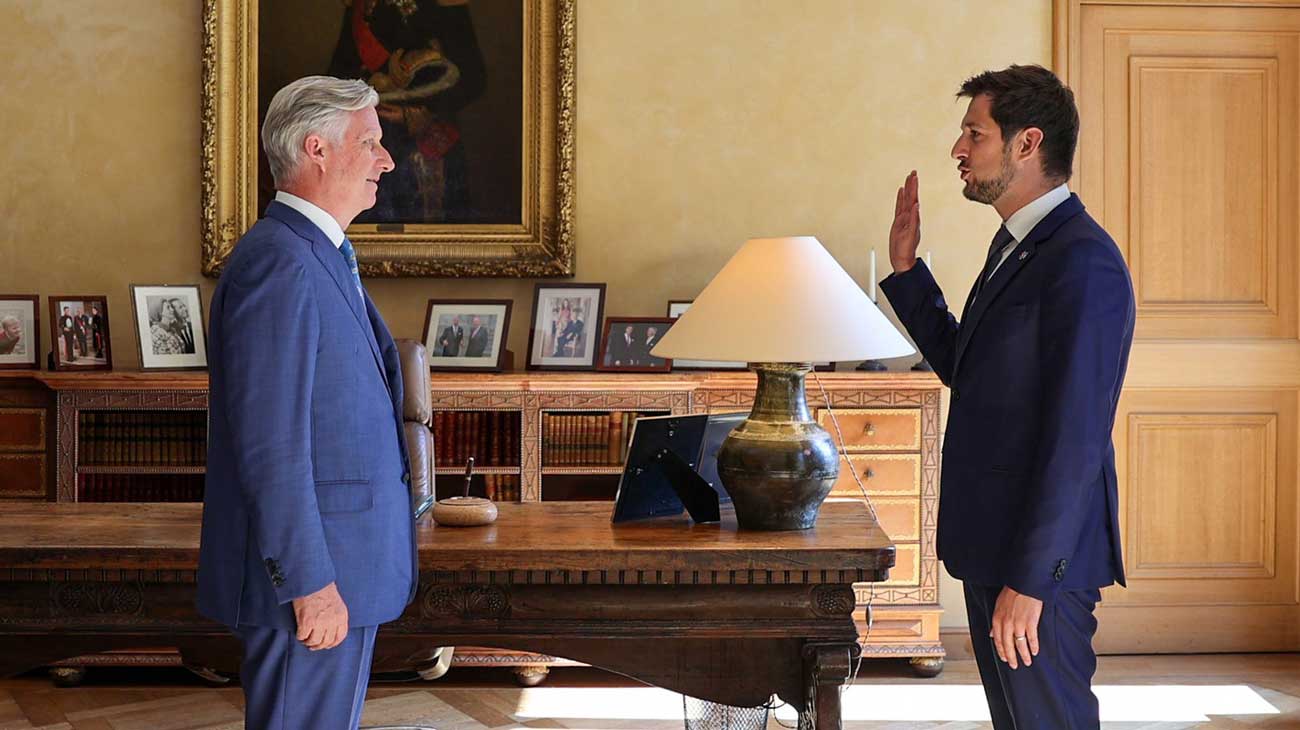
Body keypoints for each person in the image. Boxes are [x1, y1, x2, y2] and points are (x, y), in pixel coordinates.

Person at [878, 65, 1134, 730]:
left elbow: (1076, 439)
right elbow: (979, 374)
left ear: (1026, 144)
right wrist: (908, 273)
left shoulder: (1083, 260)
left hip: (1039, 562)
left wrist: (1032, 580)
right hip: (997, 544)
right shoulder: (1015, 244)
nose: (958, 150)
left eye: (974, 134)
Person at [197, 75, 416, 730]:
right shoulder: (280, 263)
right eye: (372, 142)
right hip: (312, 582)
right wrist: (309, 583)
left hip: (342, 571)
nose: (387, 159)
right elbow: (272, 446)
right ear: (317, 149)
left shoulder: (318, 255)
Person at [327, 0, 486, 223]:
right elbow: (337, 77)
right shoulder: (362, 6)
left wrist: (421, 112)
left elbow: (474, 77)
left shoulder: (446, 3)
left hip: (430, 142)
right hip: (371, 140)